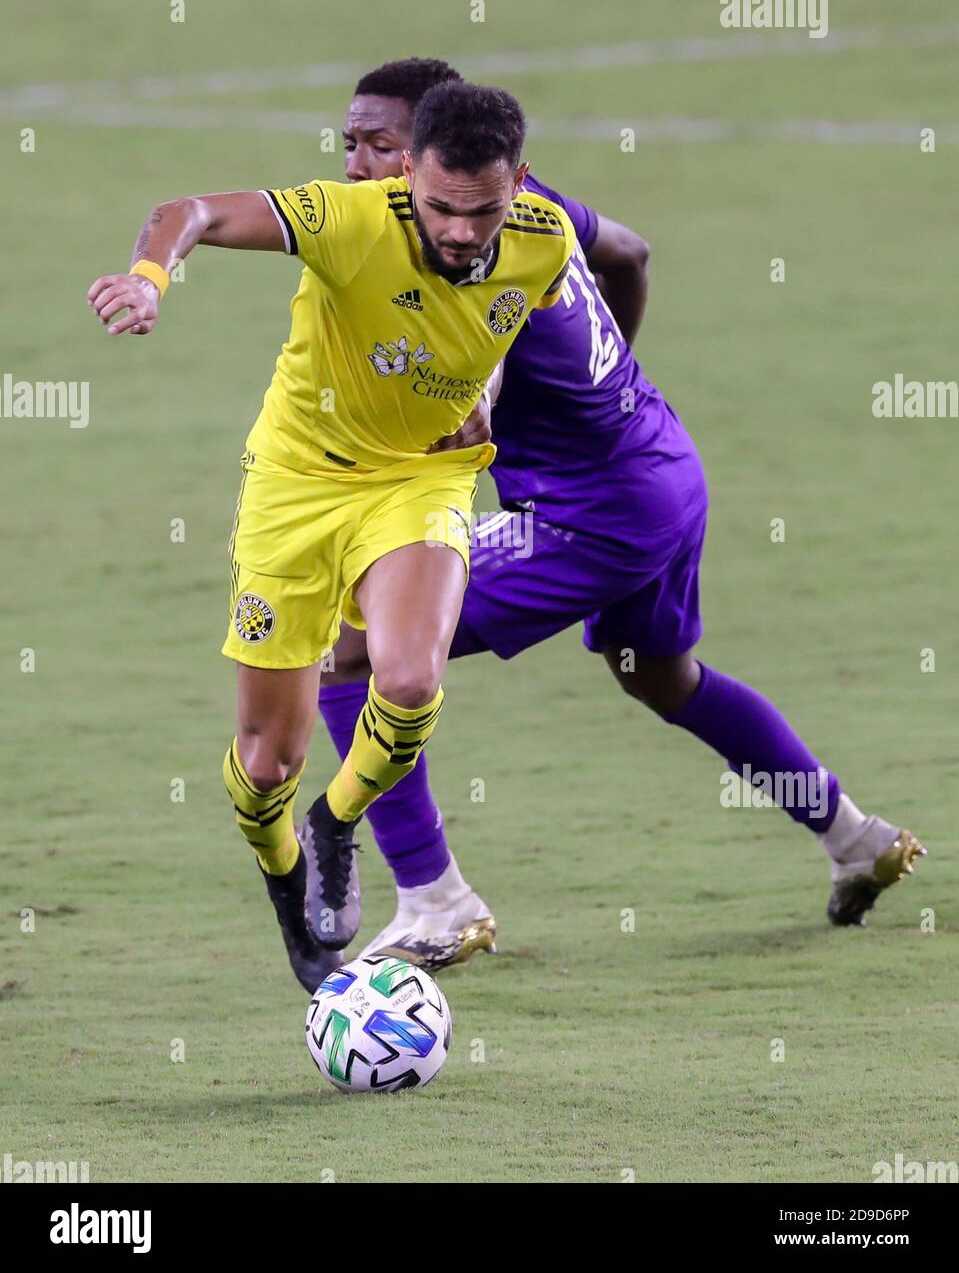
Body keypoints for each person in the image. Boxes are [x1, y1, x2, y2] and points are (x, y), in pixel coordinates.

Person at [309, 58, 925, 970]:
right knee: (660, 677)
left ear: (426, 159)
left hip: (589, 512)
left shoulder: (450, 248)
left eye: (380, 146)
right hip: (661, 464)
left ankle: (434, 899)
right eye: (349, 141)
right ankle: (854, 836)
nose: (358, 163)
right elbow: (629, 253)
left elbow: (476, 372)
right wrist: (602, 378)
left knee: (350, 639)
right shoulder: (517, 201)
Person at [87, 80, 576, 992]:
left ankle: (336, 825)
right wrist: (147, 279)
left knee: (407, 675)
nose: (462, 232)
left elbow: (501, 331)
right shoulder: (349, 220)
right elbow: (185, 210)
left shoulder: (546, 242)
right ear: (410, 183)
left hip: (418, 480)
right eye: (439, 208)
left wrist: (480, 399)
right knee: (267, 760)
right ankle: (284, 877)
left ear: (519, 186)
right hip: (295, 489)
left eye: (484, 211)